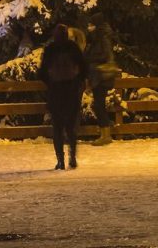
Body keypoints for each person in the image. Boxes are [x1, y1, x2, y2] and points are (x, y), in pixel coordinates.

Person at [38, 24, 89, 171]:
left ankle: (60, 160)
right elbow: (84, 68)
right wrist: (77, 81)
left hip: (56, 91)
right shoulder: (73, 48)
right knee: (71, 126)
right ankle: (72, 157)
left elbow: (42, 72)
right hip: (71, 90)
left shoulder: (50, 49)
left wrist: (50, 83)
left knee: (58, 128)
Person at [85, 13, 121, 146]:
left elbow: (105, 55)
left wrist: (89, 59)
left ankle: (106, 135)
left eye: (91, 24)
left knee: (99, 105)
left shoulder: (102, 38)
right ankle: (104, 134)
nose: (89, 27)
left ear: (96, 25)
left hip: (101, 77)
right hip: (97, 76)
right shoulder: (96, 39)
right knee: (98, 105)